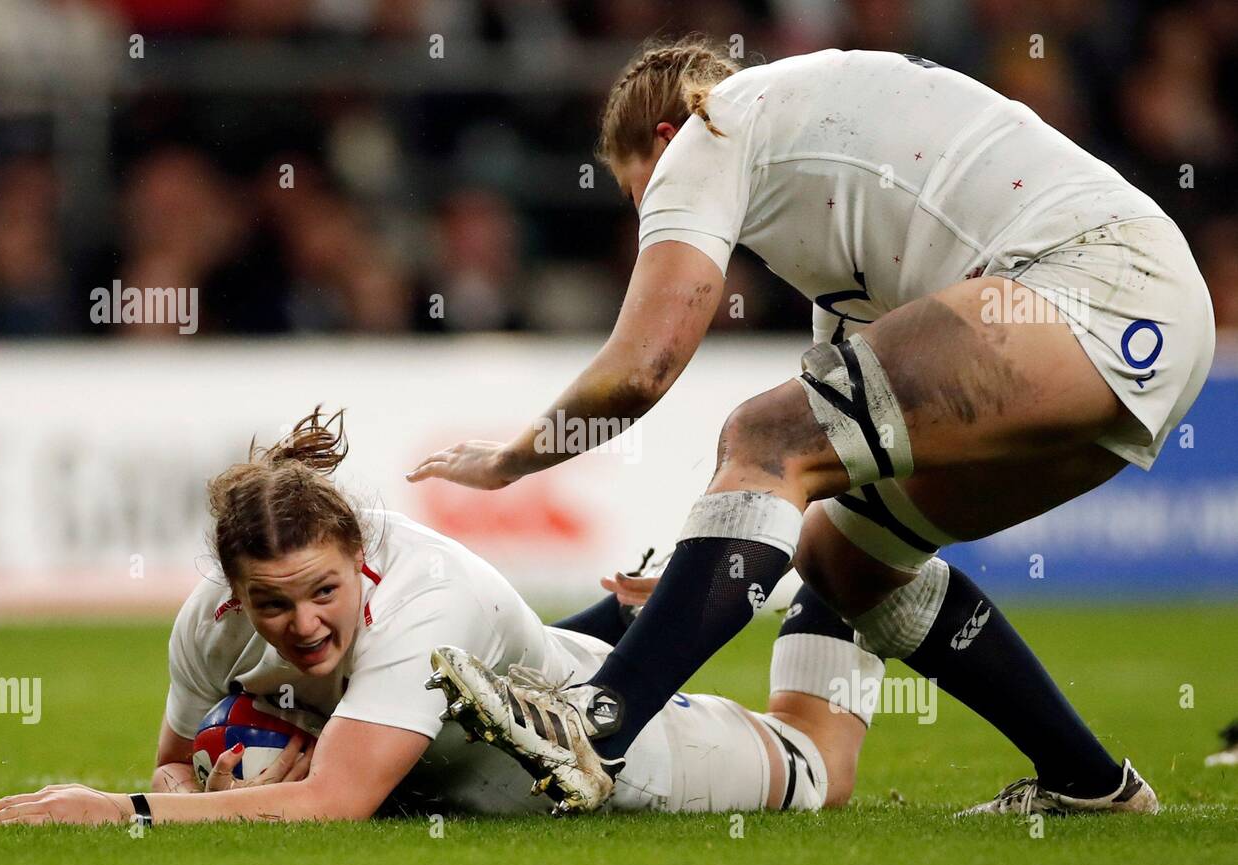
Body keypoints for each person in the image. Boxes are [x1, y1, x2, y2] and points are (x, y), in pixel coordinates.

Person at [410, 39, 1215, 815]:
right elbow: (804, 480)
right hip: (1149, 326)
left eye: (641, 195)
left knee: (765, 436)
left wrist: (513, 460)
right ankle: (1089, 783)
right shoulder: (831, 209)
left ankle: (596, 728)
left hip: (1091, 285)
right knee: (848, 559)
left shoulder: (710, 127)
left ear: (663, 138)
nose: (650, 224)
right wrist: (699, 582)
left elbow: (643, 368)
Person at [0, 409, 882, 827]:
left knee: (819, 766)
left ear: (357, 554)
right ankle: (650, 601)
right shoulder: (208, 623)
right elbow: (174, 764)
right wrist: (169, 789)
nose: (305, 627)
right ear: (233, 594)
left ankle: (850, 542)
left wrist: (111, 812)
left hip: (629, 755)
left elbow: (334, 803)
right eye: (271, 605)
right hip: (485, 740)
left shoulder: (423, 598)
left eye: (324, 593)